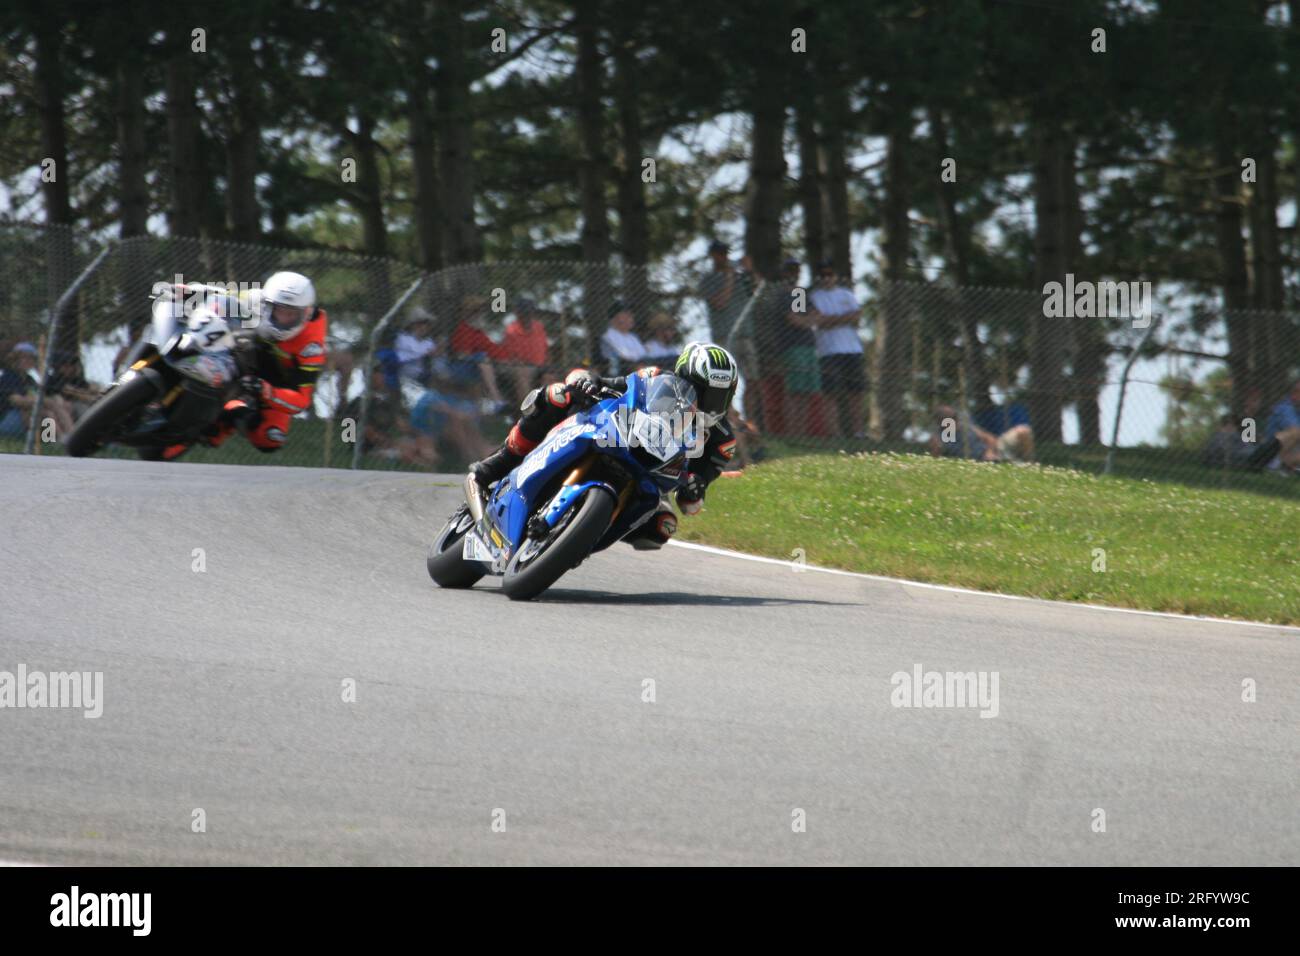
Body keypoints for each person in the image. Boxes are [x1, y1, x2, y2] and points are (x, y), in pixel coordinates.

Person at [468, 342, 741, 550]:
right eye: (703, 392)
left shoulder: (721, 441)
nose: (709, 402)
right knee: (558, 395)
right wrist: (586, 382)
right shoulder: (657, 378)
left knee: (663, 526)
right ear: (684, 378)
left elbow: (691, 504)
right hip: (618, 436)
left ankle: (582, 538)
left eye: (719, 396)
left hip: (657, 477)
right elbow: (613, 385)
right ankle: (497, 464)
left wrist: (695, 489)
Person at [168, 270, 328, 459]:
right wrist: (191, 292)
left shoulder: (312, 346)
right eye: (279, 311)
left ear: (307, 313)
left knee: (270, 437)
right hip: (241, 353)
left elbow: (302, 400)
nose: (284, 319)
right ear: (267, 303)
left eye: (291, 314)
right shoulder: (256, 299)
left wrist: (267, 391)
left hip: (274, 383)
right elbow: (224, 295)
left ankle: (224, 420)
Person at [798, 260, 867, 439]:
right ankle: (835, 433)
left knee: (856, 392)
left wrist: (831, 320)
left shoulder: (847, 293)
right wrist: (845, 318)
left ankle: (859, 432)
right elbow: (819, 322)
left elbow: (858, 316)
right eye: (823, 275)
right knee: (830, 393)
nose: (827, 278)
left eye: (830, 274)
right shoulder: (813, 296)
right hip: (828, 351)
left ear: (835, 276)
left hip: (852, 349)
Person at [928, 403, 1035, 462]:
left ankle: (1028, 462)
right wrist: (936, 447)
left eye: (954, 417)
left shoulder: (966, 426)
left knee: (1024, 430)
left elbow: (989, 438)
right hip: (980, 459)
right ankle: (1009, 460)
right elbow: (936, 457)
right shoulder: (942, 438)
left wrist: (991, 451)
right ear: (940, 422)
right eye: (948, 419)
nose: (954, 421)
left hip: (996, 448)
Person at [1246, 380, 1300, 472]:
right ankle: (1277, 464)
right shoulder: (1284, 407)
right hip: (1271, 451)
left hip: (1287, 451)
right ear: (1295, 394)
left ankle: (1284, 467)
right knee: (1295, 432)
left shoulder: (1297, 410)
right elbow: (1295, 430)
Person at [502, 297, 550, 402]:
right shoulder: (512, 329)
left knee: (550, 376)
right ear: (518, 313)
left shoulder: (539, 327)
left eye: (529, 312)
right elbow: (510, 356)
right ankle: (528, 407)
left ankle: (545, 407)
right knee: (523, 372)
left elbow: (546, 350)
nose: (526, 315)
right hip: (521, 366)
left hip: (540, 366)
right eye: (523, 312)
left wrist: (546, 364)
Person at [0, 342, 39, 439]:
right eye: (24, 358)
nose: (28, 361)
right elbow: (16, 401)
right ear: (15, 360)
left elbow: (34, 397)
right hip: (7, 419)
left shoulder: (30, 379)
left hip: (24, 416)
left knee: (49, 411)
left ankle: (53, 437)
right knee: (26, 409)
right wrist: (41, 401)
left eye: (31, 358)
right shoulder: (8, 376)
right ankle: (34, 438)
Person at [599, 300, 646, 375]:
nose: (630, 316)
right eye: (625, 314)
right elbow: (625, 356)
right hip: (621, 374)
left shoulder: (633, 337)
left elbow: (643, 354)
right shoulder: (609, 336)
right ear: (614, 318)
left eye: (630, 313)